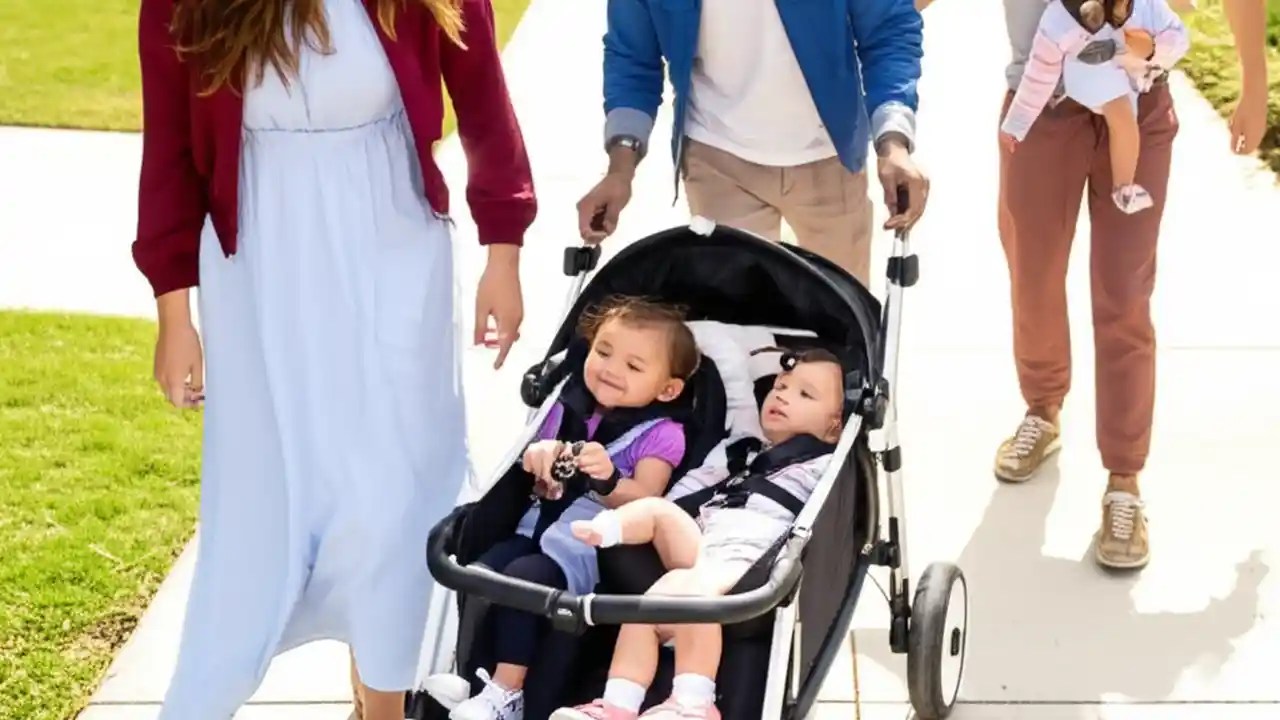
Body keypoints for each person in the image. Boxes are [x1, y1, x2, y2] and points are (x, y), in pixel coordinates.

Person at [133, 0, 534, 718]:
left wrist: (502, 253)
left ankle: (383, 700)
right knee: (269, 497)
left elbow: (484, 104)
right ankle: (215, 684)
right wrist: (175, 314)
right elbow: (167, 148)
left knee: (397, 493)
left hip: (393, 247)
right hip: (257, 263)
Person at [426, 297, 701, 720]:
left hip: (585, 549)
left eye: (633, 366)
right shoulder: (566, 406)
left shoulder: (662, 435)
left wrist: (608, 478)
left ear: (667, 388)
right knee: (481, 571)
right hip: (534, 528)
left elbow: (647, 497)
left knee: (523, 580)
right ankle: (471, 673)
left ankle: (508, 691)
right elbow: (539, 480)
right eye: (603, 352)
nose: (610, 368)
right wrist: (544, 466)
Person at [547, 349, 845, 720]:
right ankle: (615, 707)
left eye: (805, 394)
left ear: (835, 426)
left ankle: (692, 705)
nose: (782, 394)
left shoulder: (826, 463)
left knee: (678, 594)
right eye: (780, 386)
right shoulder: (739, 451)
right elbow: (688, 492)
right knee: (659, 523)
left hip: (751, 556)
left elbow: (831, 512)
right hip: (704, 543)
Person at [574, 0, 929, 285]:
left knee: (840, 331)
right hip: (716, 157)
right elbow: (632, 57)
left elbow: (887, 33)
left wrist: (893, 142)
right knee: (734, 334)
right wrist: (620, 168)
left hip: (828, 156)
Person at [999, 0, 1189, 214]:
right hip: (1092, 76)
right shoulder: (1061, 18)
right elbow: (1039, 76)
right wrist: (1017, 123)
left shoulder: (1147, 6)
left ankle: (1124, 186)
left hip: (1130, 78)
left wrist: (1150, 47)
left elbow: (1179, 38)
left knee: (1126, 116)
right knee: (1123, 117)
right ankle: (1124, 187)